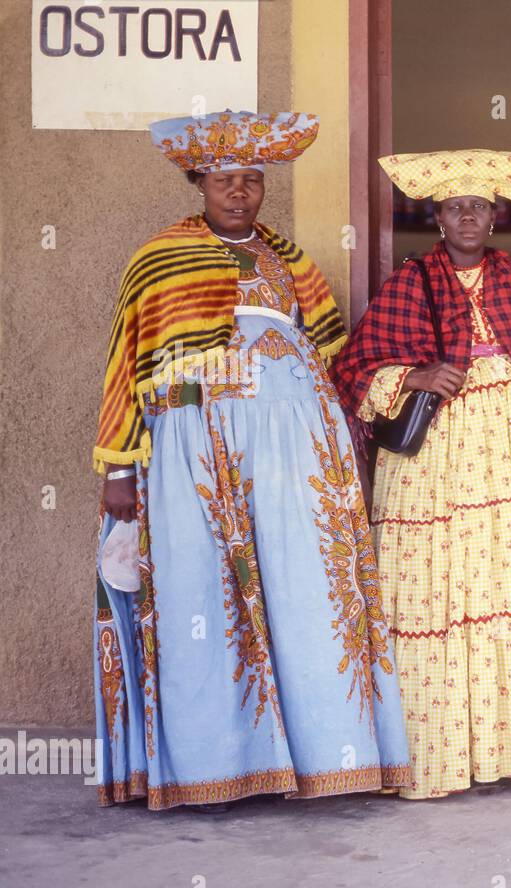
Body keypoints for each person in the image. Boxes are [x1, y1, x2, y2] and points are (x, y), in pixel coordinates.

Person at [93, 110, 411, 810]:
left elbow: (330, 357)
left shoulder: (291, 259)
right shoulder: (158, 258)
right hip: (196, 451)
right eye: (223, 180)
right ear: (198, 181)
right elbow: (126, 362)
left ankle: (321, 758)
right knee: (205, 593)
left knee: (307, 590)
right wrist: (119, 467)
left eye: (251, 181)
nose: (239, 192)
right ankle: (223, 767)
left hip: (295, 448)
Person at [331, 149, 511, 800]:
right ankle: (438, 755)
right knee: (441, 584)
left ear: (494, 217)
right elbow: (353, 370)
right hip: (438, 461)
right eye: (455, 207)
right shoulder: (411, 281)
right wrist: (416, 376)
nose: (467, 218)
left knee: (508, 583)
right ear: (436, 216)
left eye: (479, 207)